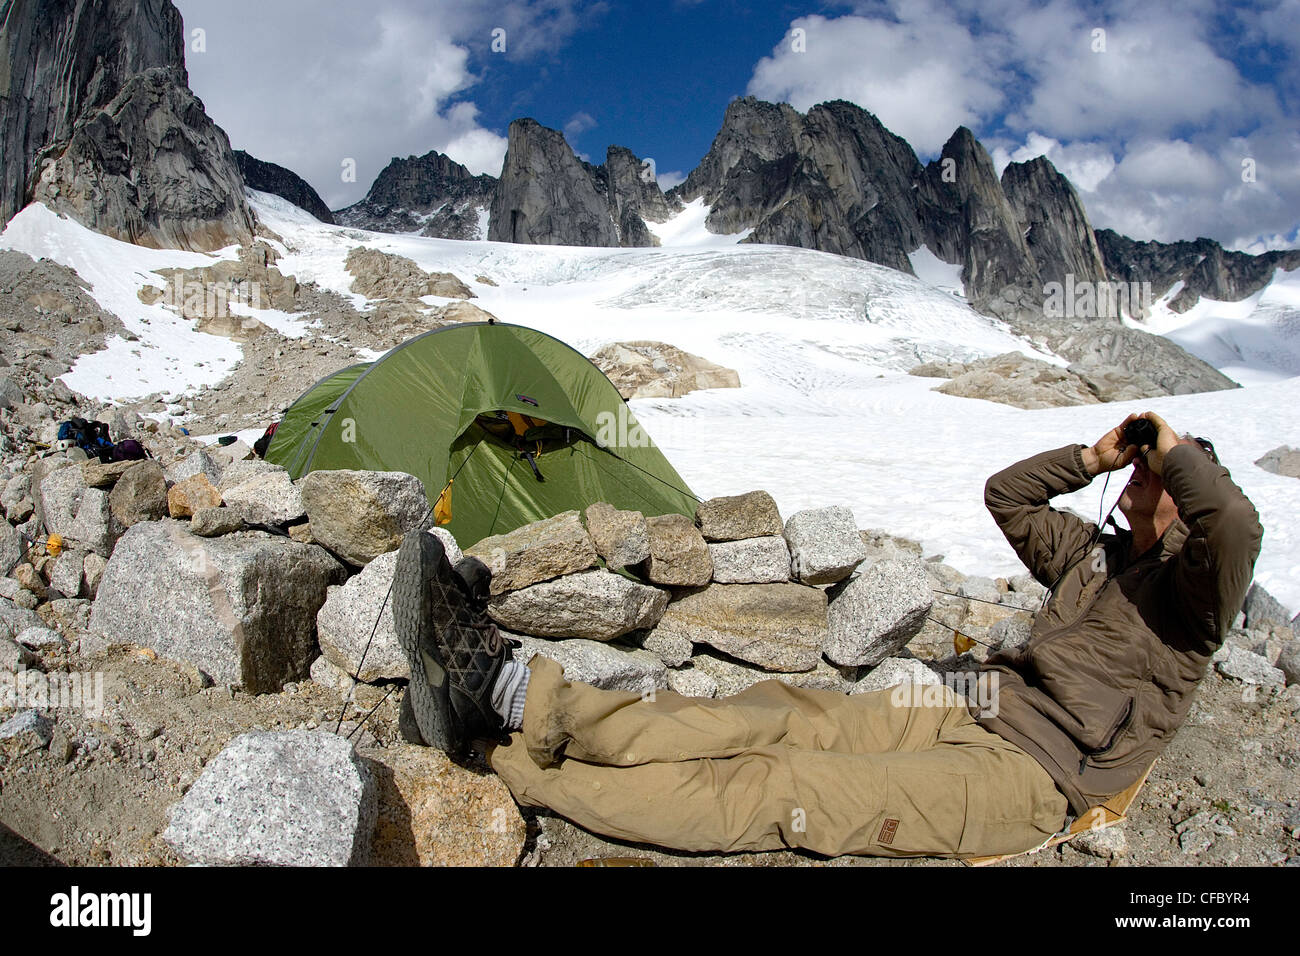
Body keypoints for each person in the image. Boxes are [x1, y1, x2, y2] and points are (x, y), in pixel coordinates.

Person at [391, 411, 1262, 859]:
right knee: (769, 712)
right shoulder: (1093, 555)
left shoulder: (1195, 600)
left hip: (1040, 775)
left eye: (1162, 470)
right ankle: (510, 693)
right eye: (1149, 466)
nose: (1148, 474)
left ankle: (503, 757)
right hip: (973, 703)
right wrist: (1095, 458)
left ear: (1188, 488)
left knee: (791, 789)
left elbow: (1235, 526)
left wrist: (1179, 453)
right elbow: (1008, 496)